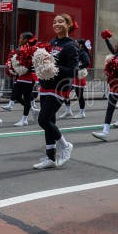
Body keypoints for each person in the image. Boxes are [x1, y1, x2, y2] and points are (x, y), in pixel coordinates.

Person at [31, 14, 78, 169]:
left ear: (69, 24)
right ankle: (50, 158)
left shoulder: (71, 45)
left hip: (59, 87)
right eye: (54, 22)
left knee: (43, 120)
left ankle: (65, 145)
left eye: (61, 21)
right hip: (46, 85)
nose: (57, 24)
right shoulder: (53, 42)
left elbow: (72, 70)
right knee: (50, 121)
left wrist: (53, 65)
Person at [2, 33, 39, 127]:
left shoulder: (32, 49)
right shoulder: (21, 48)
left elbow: (31, 63)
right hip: (21, 75)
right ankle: (32, 110)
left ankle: (24, 119)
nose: (19, 39)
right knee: (18, 96)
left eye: (21, 38)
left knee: (25, 97)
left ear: (26, 39)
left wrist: (22, 65)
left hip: (28, 76)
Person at [70, 39, 91, 118]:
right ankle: (68, 110)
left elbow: (87, 62)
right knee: (70, 93)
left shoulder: (83, 53)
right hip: (75, 76)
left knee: (80, 96)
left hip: (80, 76)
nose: (75, 44)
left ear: (81, 45)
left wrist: (79, 67)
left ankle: (82, 113)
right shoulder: (78, 51)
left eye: (76, 43)